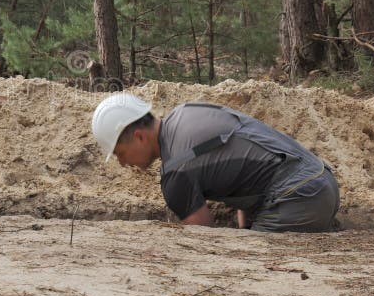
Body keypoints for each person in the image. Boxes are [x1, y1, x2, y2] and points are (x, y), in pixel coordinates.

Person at [91, 93, 340, 232]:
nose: (122, 163)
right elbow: (249, 166)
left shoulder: (175, 171)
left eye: (119, 153)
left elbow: (205, 238)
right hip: (321, 180)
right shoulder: (188, 111)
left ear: (139, 137)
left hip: (297, 196)